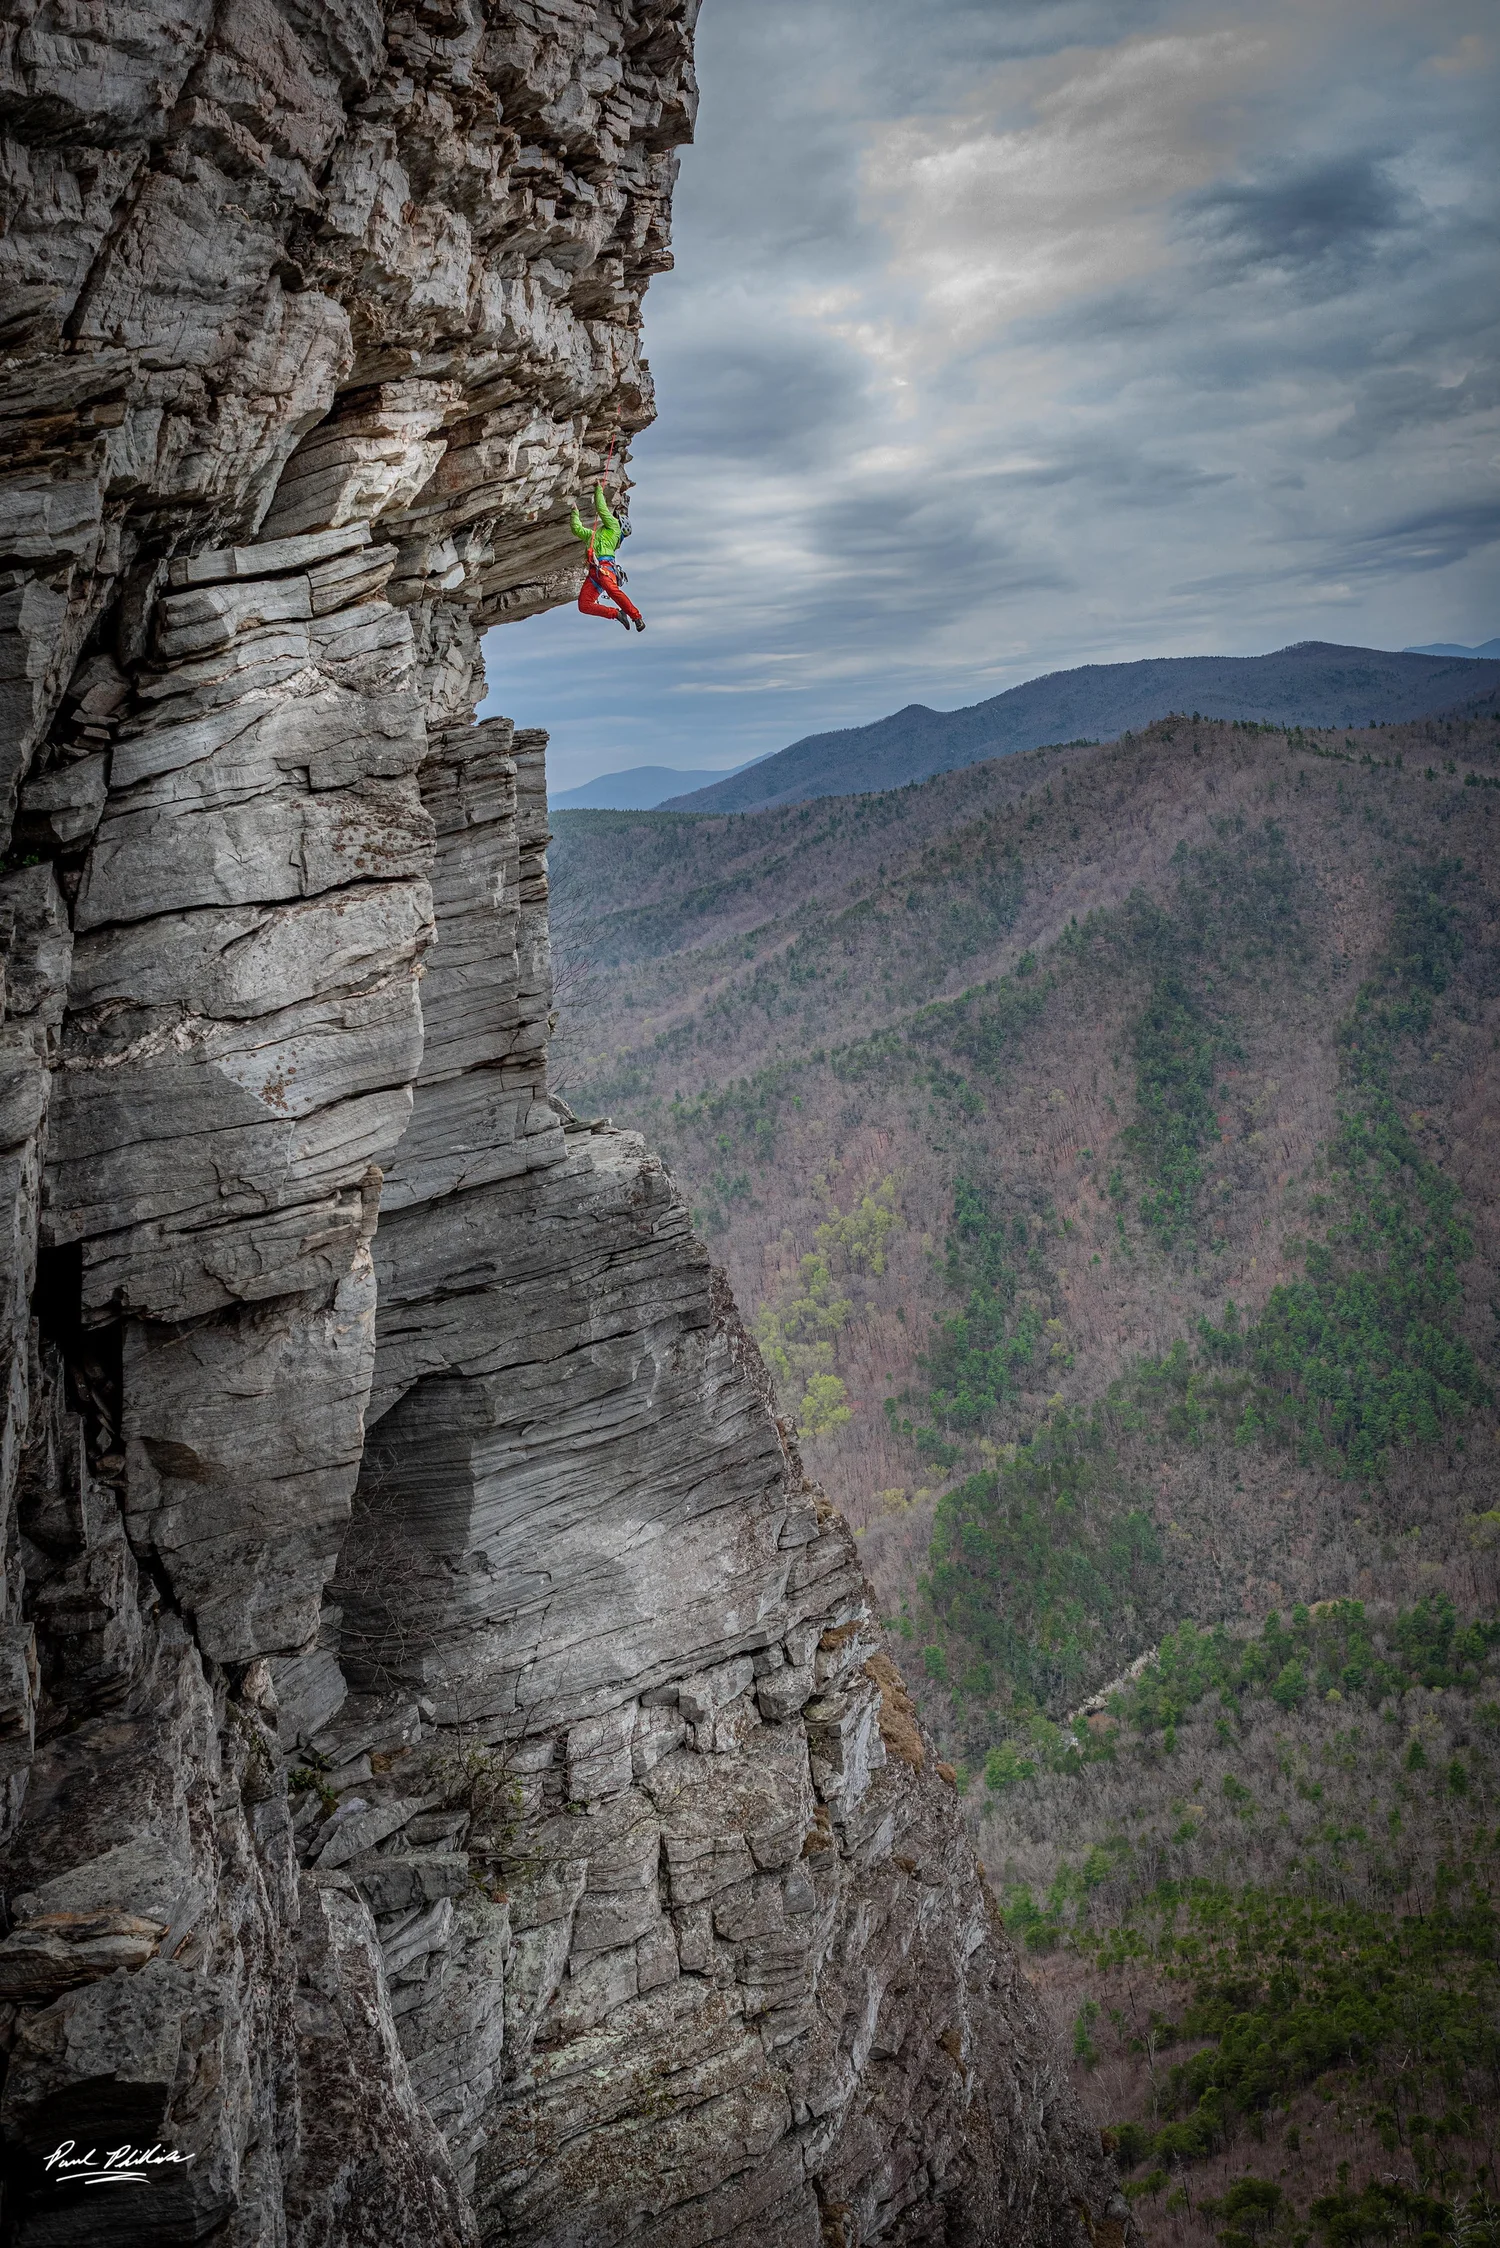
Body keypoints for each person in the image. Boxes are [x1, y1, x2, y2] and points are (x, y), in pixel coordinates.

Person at [569, 483, 644, 632]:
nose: (614, 518)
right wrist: (574, 512)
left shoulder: (615, 528)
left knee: (611, 589)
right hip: (595, 572)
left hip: (604, 567)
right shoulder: (594, 536)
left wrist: (598, 489)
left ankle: (636, 617)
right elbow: (577, 529)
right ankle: (617, 614)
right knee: (584, 605)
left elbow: (602, 510)